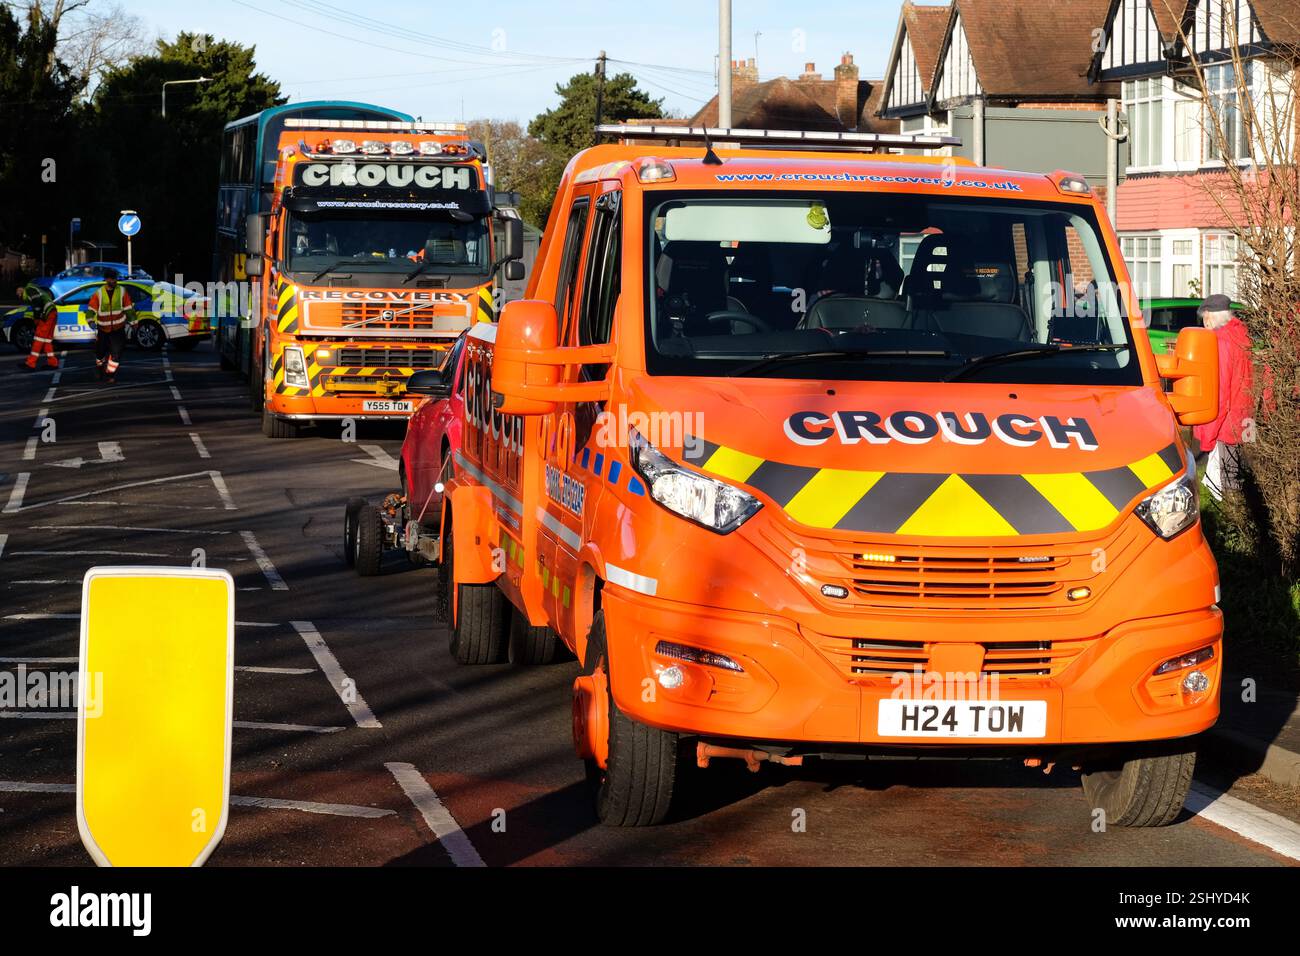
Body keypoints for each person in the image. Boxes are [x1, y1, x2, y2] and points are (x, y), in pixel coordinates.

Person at [1192, 293, 1253, 502]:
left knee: (1230, 484)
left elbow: (1220, 393)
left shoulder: (1219, 343)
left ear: (1208, 316)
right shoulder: (1242, 335)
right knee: (1246, 478)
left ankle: (1236, 528)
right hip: (1247, 419)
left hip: (1228, 425)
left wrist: (1208, 437)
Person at [86, 274, 135, 384]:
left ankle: (110, 374)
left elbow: (128, 308)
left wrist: (134, 323)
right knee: (100, 353)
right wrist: (90, 321)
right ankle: (99, 367)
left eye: (115, 279)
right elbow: (91, 309)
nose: (114, 281)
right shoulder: (99, 294)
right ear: (107, 280)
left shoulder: (122, 291)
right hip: (103, 329)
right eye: (112, 279)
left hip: (118, 329)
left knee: (116, 354)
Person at [18, 281, 58, 372]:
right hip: (51, 312)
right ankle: (53, 363)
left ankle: (30, 363)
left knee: (38, 339)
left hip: (46, 314)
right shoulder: (33, 289)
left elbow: (37, 303)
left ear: (21, 289)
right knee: (46, 340)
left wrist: (36, 318)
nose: (18, 295)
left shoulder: (29, 289)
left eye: (18, 292)